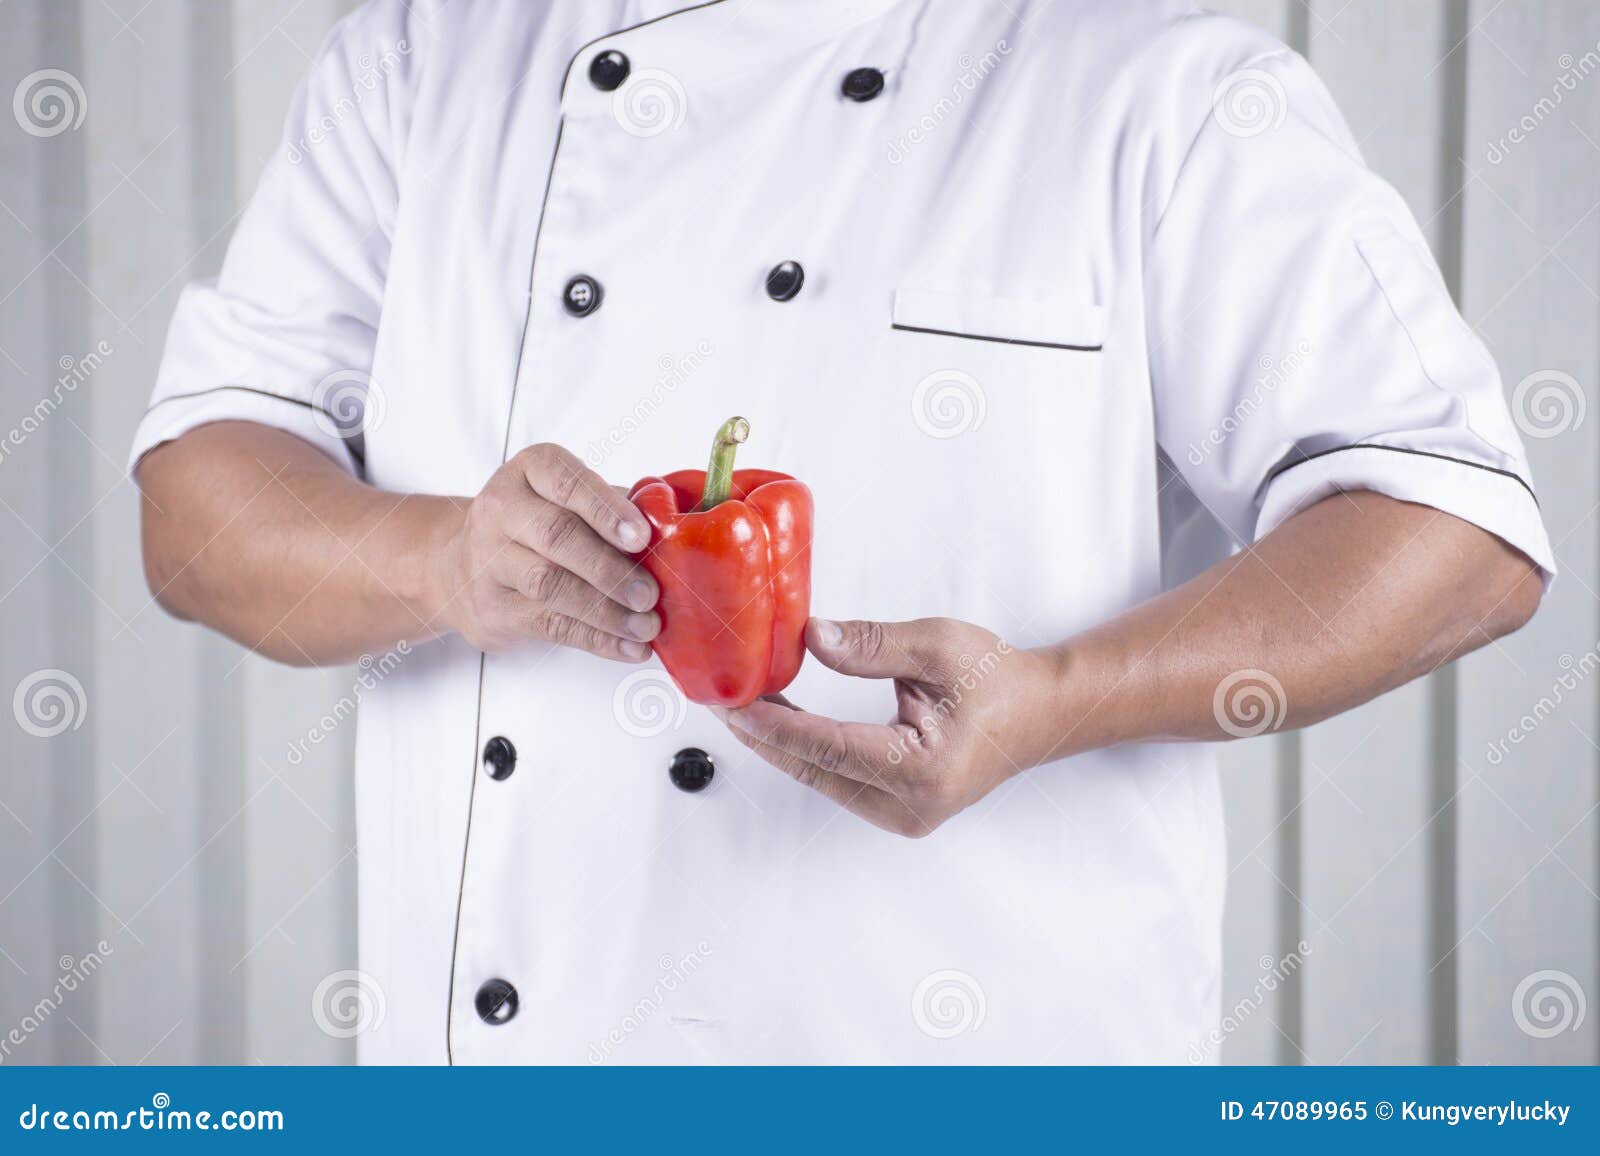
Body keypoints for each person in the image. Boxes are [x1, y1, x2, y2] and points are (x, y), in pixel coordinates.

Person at [132, 0, 1551, 1063]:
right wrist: (438, 559)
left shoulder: (1159, 87)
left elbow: (1456, 526)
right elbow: (196, 507)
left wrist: (1060, 702)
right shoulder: (425, 57)